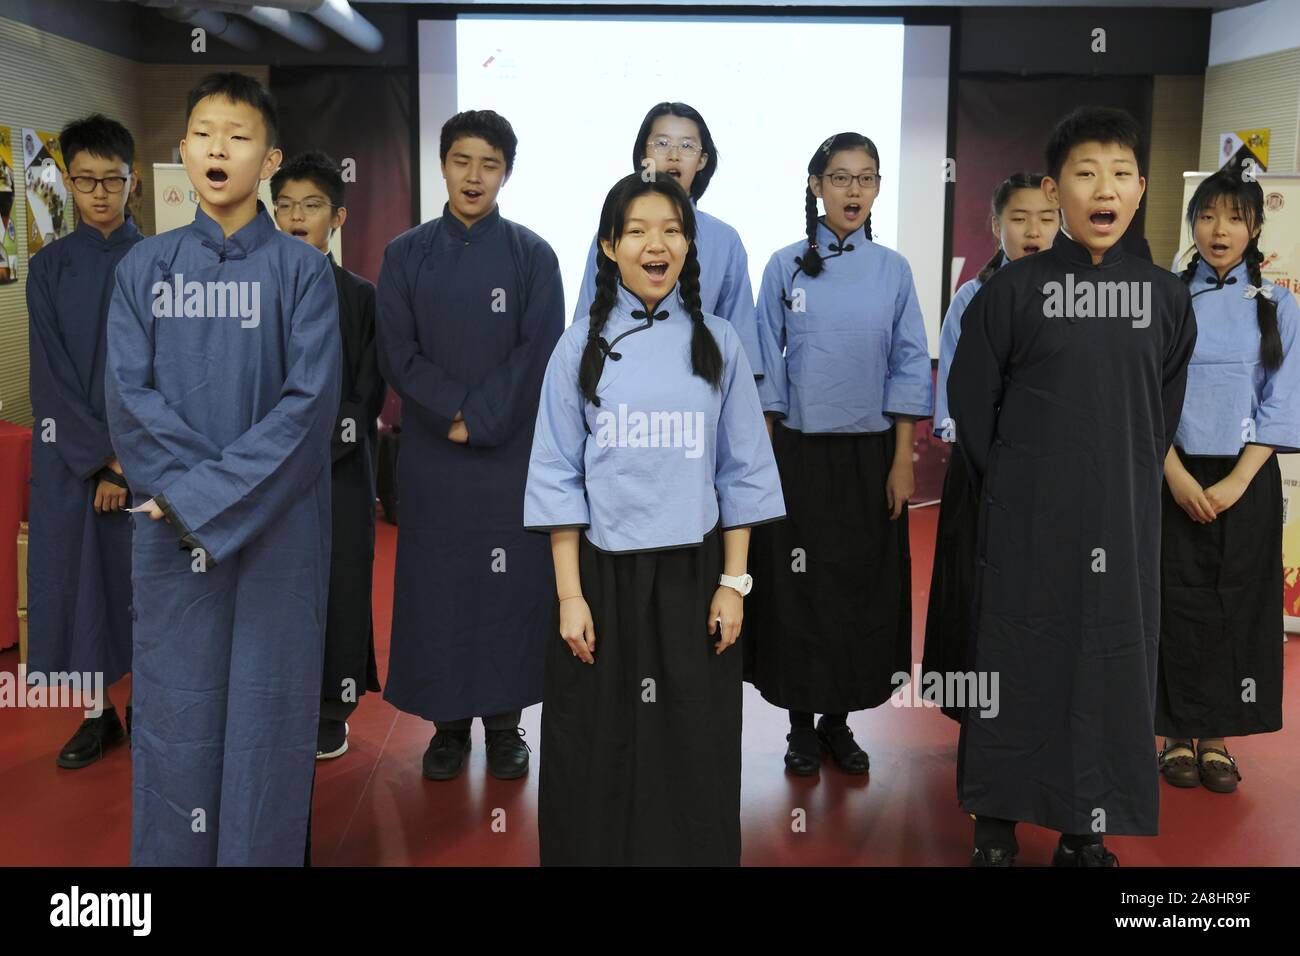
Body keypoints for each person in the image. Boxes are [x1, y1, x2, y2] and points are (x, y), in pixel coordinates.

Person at [948, 106, 1198, 866]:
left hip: (1121, 526)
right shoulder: (1013, 291)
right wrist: (1021, 484)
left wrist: (1114, 483)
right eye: (1087, 173)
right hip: (1025, 521)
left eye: (1121, 174)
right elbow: (971, 400)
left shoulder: (1165, 298)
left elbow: (1160, 415)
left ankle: (1084, 824)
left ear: (1142, 189)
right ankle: (995, 820)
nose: (1105, 188)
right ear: (1058, 191)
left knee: (1104, 664)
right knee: (1015, 659)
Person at [105, 72, 341, 866]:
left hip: (274, 535)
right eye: (204, 133)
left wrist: (198, 492)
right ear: (181, 152)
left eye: (238, 136)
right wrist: (199, 495)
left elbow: (308, 410)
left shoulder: (304, 274)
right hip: (174, 534)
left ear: (268, 159)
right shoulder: (144, 270)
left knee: (267, 718)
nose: (218, 148)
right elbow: (127, 400)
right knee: (178, 707)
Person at [525, 172, 784, 864]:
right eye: (636, 231)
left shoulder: (720, 341)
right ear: (609, 246)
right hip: (602, 581)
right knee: (596, 742)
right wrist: (569, 595)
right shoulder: (576, 345)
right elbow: (555, 473)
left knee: (691, 742)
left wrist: (736, 585)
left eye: (671, 230)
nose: (655, 244)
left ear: (689, 244)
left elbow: (744, 472)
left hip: (694, 578)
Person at [377, 110, 564, 781]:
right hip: (433, 458)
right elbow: (399, 353)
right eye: (462, 160)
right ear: (443, 165)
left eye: (489, 163)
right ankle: (447, 727)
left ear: (506, 172)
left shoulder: (532, 256)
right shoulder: (405, 255)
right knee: (439, 590)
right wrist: (453, 409)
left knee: (509, 589)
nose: (474, 175)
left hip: (509, 457)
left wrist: (479, 417)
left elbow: (539, 351)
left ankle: (506, 726)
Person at [748, 132, 932, 776]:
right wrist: (763, 460)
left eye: (866, 178)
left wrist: (904, 457)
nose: (853, 190)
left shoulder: (894, 270)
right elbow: (765, 369)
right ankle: (801, 725)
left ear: (877, 188)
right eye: (840, 177)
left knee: (860, 588)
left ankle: (839, 722)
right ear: (815, 185)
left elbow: (910, 364)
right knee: (797, 589)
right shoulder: (782, 266)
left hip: (873, 457)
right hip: (797, 456)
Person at [1156, 169, 1298, 793]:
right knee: (1171, 599)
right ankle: (1172, 735)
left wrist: (1239, 479)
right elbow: (1143, 395)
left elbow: (1284, 399)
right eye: (1208, 216)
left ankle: (1215, 737)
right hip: (1169, 474)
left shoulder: (1280, 305)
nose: (1220, 230)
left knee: (1236, 602)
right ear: (1192, 224)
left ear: (1256, 228)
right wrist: (1177, 477)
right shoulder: (1164, 296)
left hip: (1247, 477)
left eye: (1235, 218)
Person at [27, 114, 142, 768]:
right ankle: (98, 718)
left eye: (113, 180)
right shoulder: (48, 268)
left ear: (133, 183)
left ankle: (150, 708)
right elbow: (50, 376)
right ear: (67, 181)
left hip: (148, 463)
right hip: (72, 462)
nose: (99, 193)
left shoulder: (160, 261)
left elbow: (163, 375)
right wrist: (98, 459)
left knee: (145, 588)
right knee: (82, 588)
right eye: (85, 180)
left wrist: (125, 464)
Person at [923, 172, 1058, 720]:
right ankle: (977, 718)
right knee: (976, 593)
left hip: (1052, 478)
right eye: (1019, 219)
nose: (1033, 230)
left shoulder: (1075, 297)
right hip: (983, 475)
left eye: (1046, 219)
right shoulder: (971, 298)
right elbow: (955, 395)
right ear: (996, 225)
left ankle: (1034, 712)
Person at [271, 151, 386, 760]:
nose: (296, 217)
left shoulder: (360, 296)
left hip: (338, 469)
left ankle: (330, 706)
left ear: (336, 217)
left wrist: (326, 443)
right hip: (267, 473)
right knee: (276, 586)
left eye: (311, 206)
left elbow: (368, 389)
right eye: (285, 205)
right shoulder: (252, 292)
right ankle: (276, 697)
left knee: (339, 582)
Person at [570, 102, 761, 375]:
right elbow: (587, 319)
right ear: (643, 156)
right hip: (618, 384)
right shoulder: (614, 230)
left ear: (703, 160)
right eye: (661, 143)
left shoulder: (725, 239)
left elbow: (741, 335)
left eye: (686, 146)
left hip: (700, 384)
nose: (673, 155)